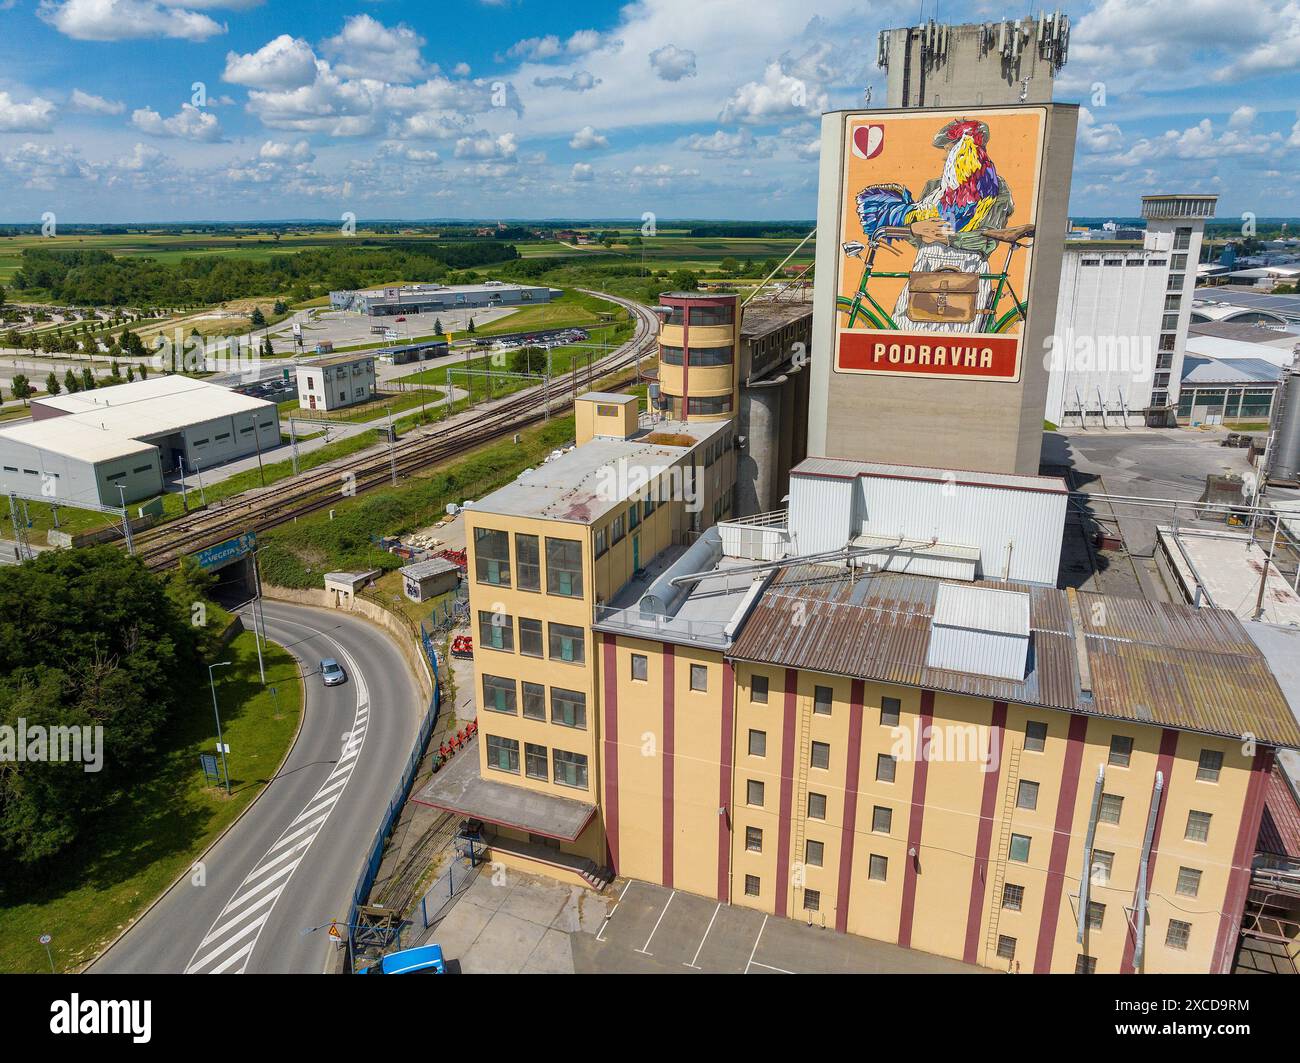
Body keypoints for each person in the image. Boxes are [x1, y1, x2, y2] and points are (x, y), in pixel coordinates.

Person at [853, 118, 1017, 333]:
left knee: (960, 338)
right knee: (905, 332)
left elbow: (990, 239)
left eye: (949, 149)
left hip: (968, 269)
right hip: (926, 265)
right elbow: (919, 236)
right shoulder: (933, 186)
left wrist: (947, 237)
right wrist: (916, 229)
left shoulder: (997, 189)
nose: (945, 155)